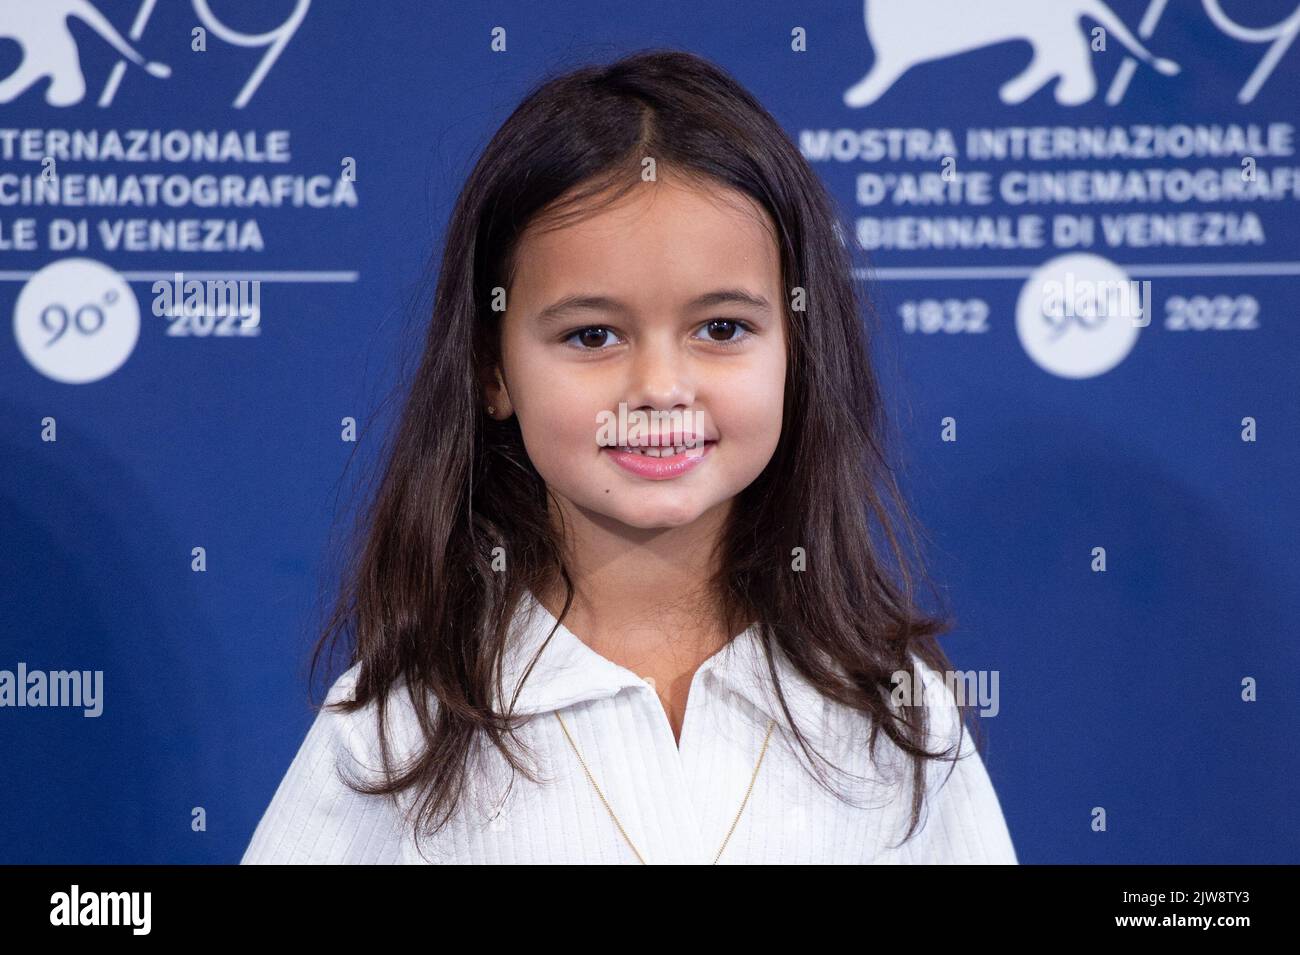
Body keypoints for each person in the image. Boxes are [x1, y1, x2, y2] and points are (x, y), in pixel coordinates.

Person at [241, 48, 1018, 865]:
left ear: (798, 348)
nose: (658, 386)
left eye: (721, 328)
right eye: (592, 335)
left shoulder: (893, 709)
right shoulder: (403, 729)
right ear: (492, 369)